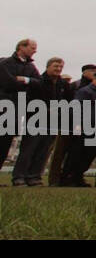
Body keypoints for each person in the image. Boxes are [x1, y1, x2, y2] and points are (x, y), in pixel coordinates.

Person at [13, 55, 73, 186]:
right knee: (28, 150)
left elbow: (69, 102)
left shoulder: (63, 84)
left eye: (61, 66)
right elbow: (28, 100)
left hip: (53, 123)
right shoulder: (38, 81)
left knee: (43, 151)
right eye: (56, 66)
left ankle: (34, 177)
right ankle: (19, 177)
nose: (58, 69)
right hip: (35, 121)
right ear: (48, 67)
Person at [60, 69, 96, 186]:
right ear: (94, 79)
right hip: (85, 127)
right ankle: (68, 177)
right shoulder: (85, 91)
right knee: (77, 154)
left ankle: (78, 176)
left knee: (89, 155)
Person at [1, 38, 43, 183]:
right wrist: (27, 85)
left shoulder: (31, 67)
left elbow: (39, 83)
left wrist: (25, 80)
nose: (35, 50)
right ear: (21, 47)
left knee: (5, 143)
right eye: (32, 47)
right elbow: (7, 83)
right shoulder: (5, 63)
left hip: (18, 109)